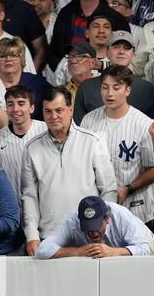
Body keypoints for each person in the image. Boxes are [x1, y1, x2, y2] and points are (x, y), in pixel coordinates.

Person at [21, 87, 116, 254]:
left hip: (89, 232)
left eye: (59, 110)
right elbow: (29, 196)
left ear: (70, 110)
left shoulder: (92, 142)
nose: (53, 116)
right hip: (50, 236)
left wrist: (103, 228)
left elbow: (108, 189)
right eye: (48, 111)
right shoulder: (31, 148)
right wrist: (31, 235)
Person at [79, 65, 154, 225]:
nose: (109, 93)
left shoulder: (143, 124)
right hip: (98, 210)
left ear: (127, 90)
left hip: (136, 210)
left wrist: (129, 188)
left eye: (116, 87)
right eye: (105, 87)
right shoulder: (88, 120)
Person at [35, 194, 154, 257]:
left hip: (143, 240)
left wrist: (113, 252)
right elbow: (41, 250)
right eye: (87, 228)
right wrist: (78, 251)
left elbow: (144, 249)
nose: (93, 233)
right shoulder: (73, 222)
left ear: (107, 219)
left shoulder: (121, 216)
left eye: (96, 227)